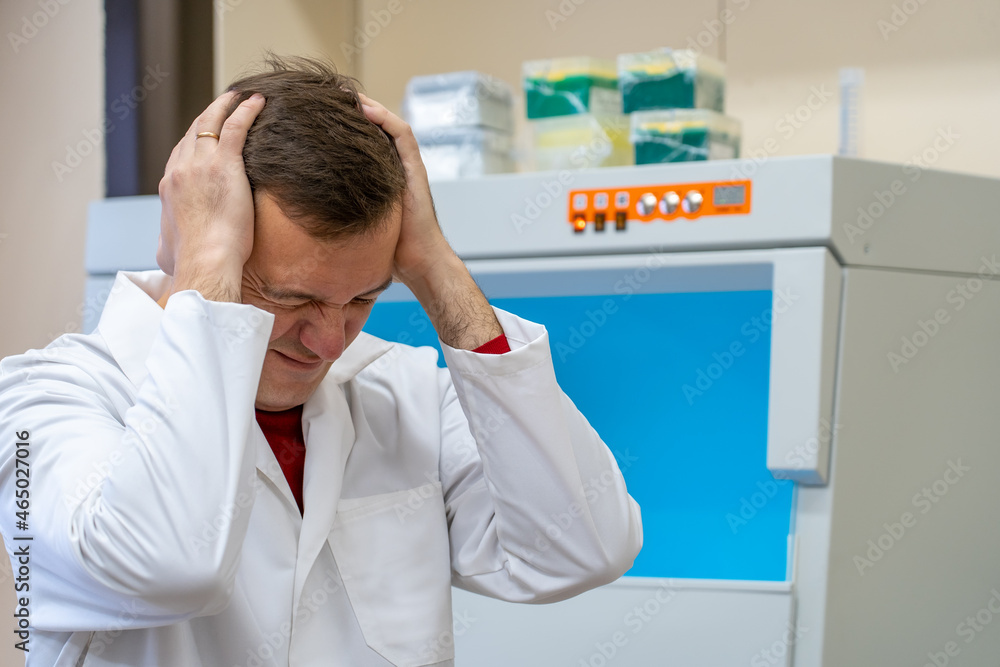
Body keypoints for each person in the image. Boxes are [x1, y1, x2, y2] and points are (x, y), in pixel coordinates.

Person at [0, 55, 641, 666]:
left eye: (363, 297)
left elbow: (581, 549)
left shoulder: (402, 392)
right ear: (189, 240)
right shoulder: (41, 403)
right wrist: (201, 269)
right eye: (290, 298)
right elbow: (169, 565)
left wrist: (437, 267)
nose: (330, 344)